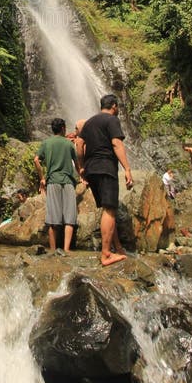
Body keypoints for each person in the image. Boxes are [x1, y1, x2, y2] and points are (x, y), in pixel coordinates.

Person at [78, 94, 134, 266]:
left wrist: (81, 167)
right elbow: (117, 144)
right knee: (110, 209)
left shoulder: (89, 123)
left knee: (108, 210)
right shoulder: (111, 120)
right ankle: (106, 254)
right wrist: (127, 169)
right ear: (114, 106)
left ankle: (117, 248)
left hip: (91, 170)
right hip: (105, 167)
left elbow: (79, 144)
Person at [34, 118, 79, 255]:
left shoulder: (46, 143)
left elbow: (36, 160)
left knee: (53, 219)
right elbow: (76, 163)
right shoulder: (68, 144)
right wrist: (82, 176)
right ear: (63, 128)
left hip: (52, 181)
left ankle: (53, 251)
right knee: (70, 218)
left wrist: (42, 178)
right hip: (68, 181)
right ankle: (66, 249)